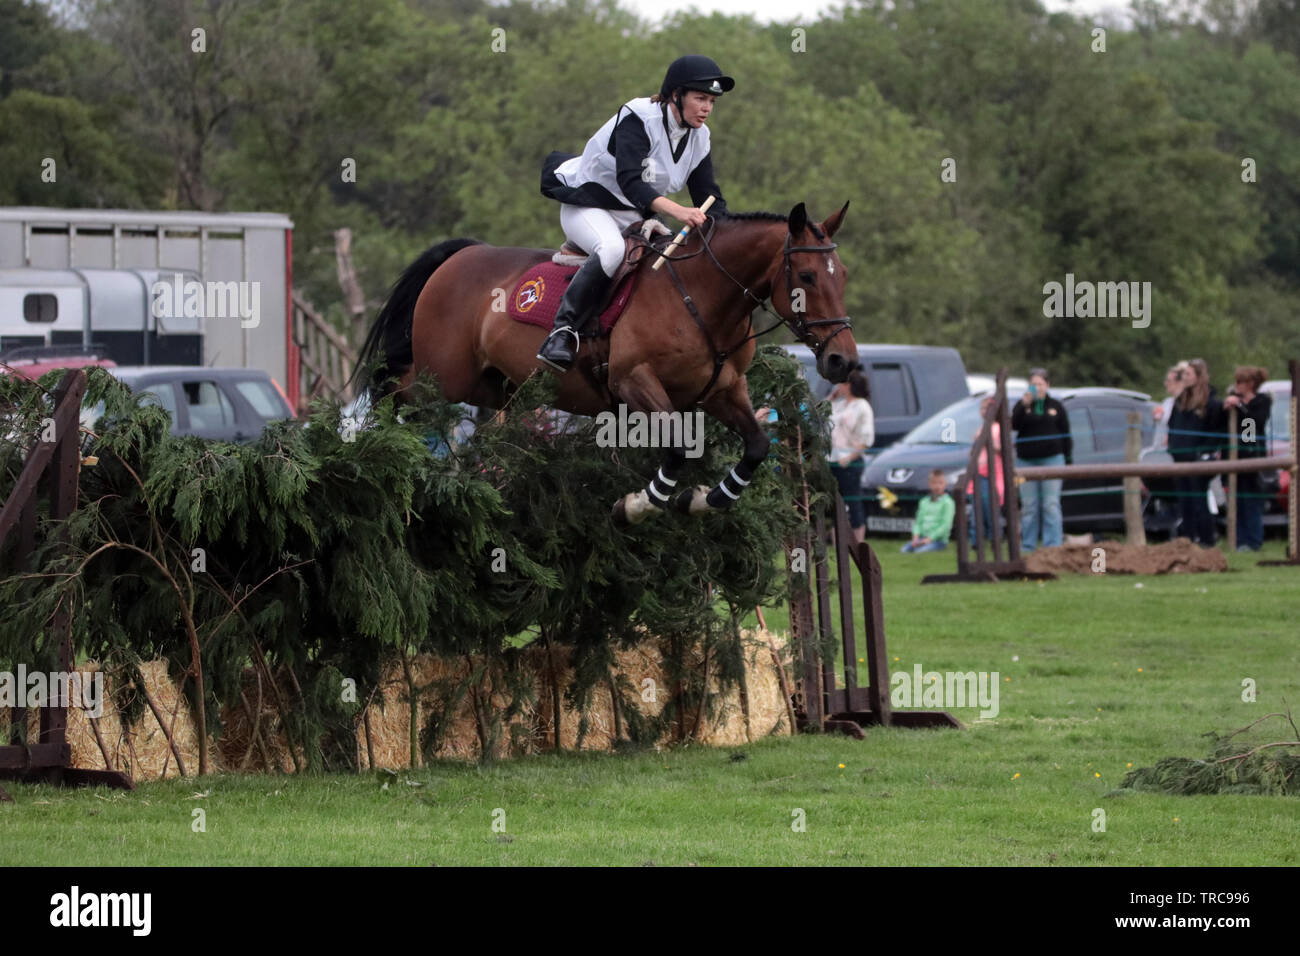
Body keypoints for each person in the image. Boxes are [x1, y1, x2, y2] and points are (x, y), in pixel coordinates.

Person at [536, 55, 733, 372]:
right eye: (700, 98)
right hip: (588, 204)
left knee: (673, 263)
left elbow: (709, 195)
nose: (707, 107)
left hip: (633, 215)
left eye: (711, 100)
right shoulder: (638, 117)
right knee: (612, 250)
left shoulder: (700, 137)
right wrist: (679, 212)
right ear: (675, 95)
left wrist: (731, 238)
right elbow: (631, 181)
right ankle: (563, 330)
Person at [1011, 367, 1072, 552]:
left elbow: (1066, 434)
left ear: (1047, 385)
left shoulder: (1056, 406)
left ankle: (1053, 546)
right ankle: (1028, 546)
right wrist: (1023, 405)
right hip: (1025, 462)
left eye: (1040, 384)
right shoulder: (1021, 405)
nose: (1037, 387)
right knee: (1029, 505)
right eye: (1033, 384)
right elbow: (1014, 425)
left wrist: (1068, 460)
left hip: (1053, 461)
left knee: (1050, 504)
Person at [1166, 358, 1225, 547]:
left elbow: (1217, 431)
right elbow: (1173, 426)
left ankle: (1207, 540)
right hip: (1180, 458)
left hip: (1199, 459)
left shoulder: (1212, 403)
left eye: (1189, 374)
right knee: (1185, 502)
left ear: (1199, 377)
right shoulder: (1181, 402)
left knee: (1199, 500)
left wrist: (1204, 451)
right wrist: (1174, 448)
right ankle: (1188, 540)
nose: (1185, 378)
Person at [1223, 365, 1271, 551]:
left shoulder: (1262, 401)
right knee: (1237, 501)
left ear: (1250, 384)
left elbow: (1252, 424)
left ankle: (1253, 540)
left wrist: (1240, 406)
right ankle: (1239, 540)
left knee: (1251, 501)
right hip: (1234, 457)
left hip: (1252, 456)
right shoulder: (1236, 401)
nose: (1237, 386)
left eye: (1240, 382)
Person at [827, 369, 874, 544]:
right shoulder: (838, 404)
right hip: (832, 459)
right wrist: (831, 398)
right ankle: (837, 540)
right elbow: (822, 415)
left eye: (842, 383)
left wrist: (851, 457)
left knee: (852, 500)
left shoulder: (862, 406)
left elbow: (866, 437)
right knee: (835, 503)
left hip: (850, 460)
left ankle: (858, 541)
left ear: (849, 385)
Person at [966, 395, 1005, 545]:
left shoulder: (998, 428)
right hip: (979, 473)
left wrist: (989, 443)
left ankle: (995, 537)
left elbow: (1003, 450)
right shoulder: (981, 429)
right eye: (982, 408)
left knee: (991, 509)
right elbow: (974, 451)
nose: (984, 411)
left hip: (993, 475)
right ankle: (976, 540)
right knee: (978, 509)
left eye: (988, 408)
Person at [902, 469, 955, 553]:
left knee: (920, 551)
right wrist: (915, 537)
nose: (937, 486)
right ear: (929, 484)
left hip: (938, 540)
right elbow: (918, 522)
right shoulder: (924, 502)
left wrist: (930, 539)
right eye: (934, 483)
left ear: (945, 484)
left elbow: (945, 525)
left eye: (940, 483)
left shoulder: (948, 503)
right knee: (904, 550)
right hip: (921, 538)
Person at [1152, 360, 1189, 447]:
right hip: (1159, 448)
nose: (1165, 384)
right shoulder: (1167, 402)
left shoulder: (1186, 403)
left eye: (1169, 381)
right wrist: (1156, 417)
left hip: (1174, 449)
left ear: (1179, 382)